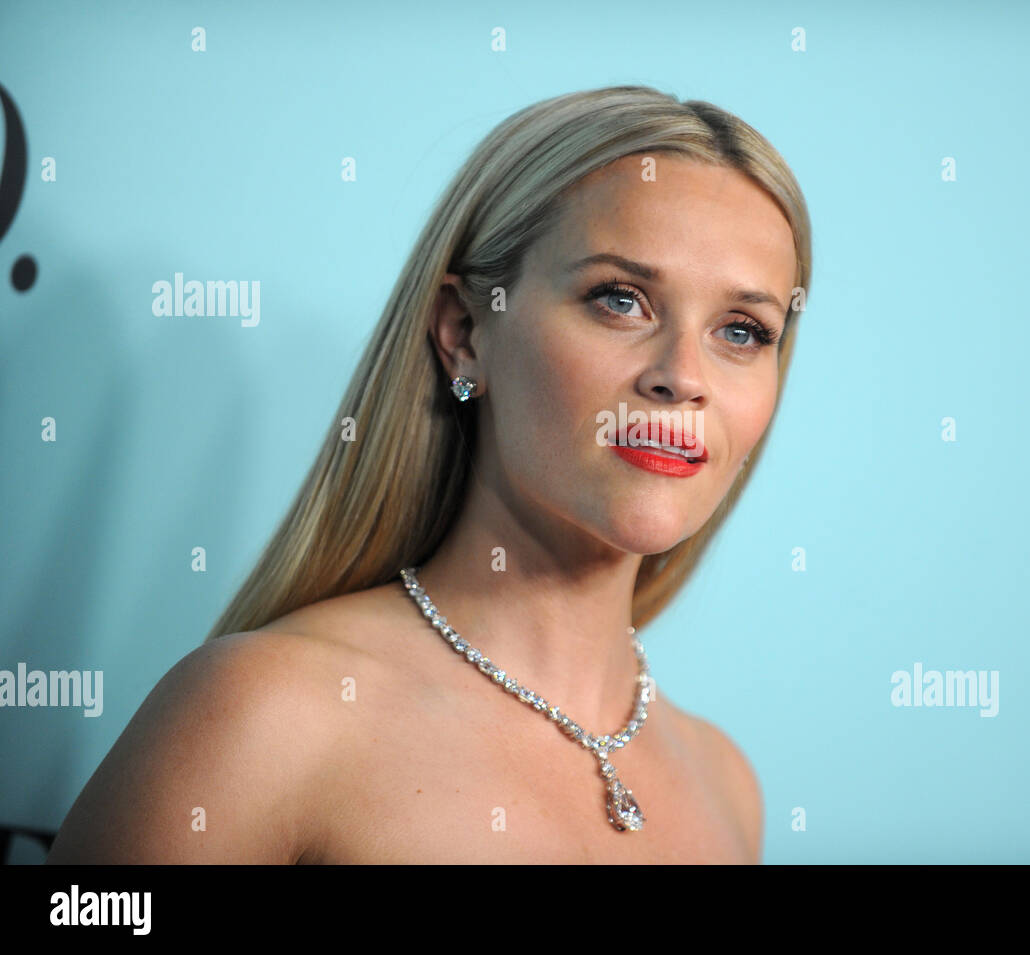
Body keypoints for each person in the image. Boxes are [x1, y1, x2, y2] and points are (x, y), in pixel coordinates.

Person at [46, 85, 813, 864]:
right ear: (464, 333)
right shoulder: (264, 715)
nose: (683, 376)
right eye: (620, 299)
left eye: (743, 331)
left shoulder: (726, 786)